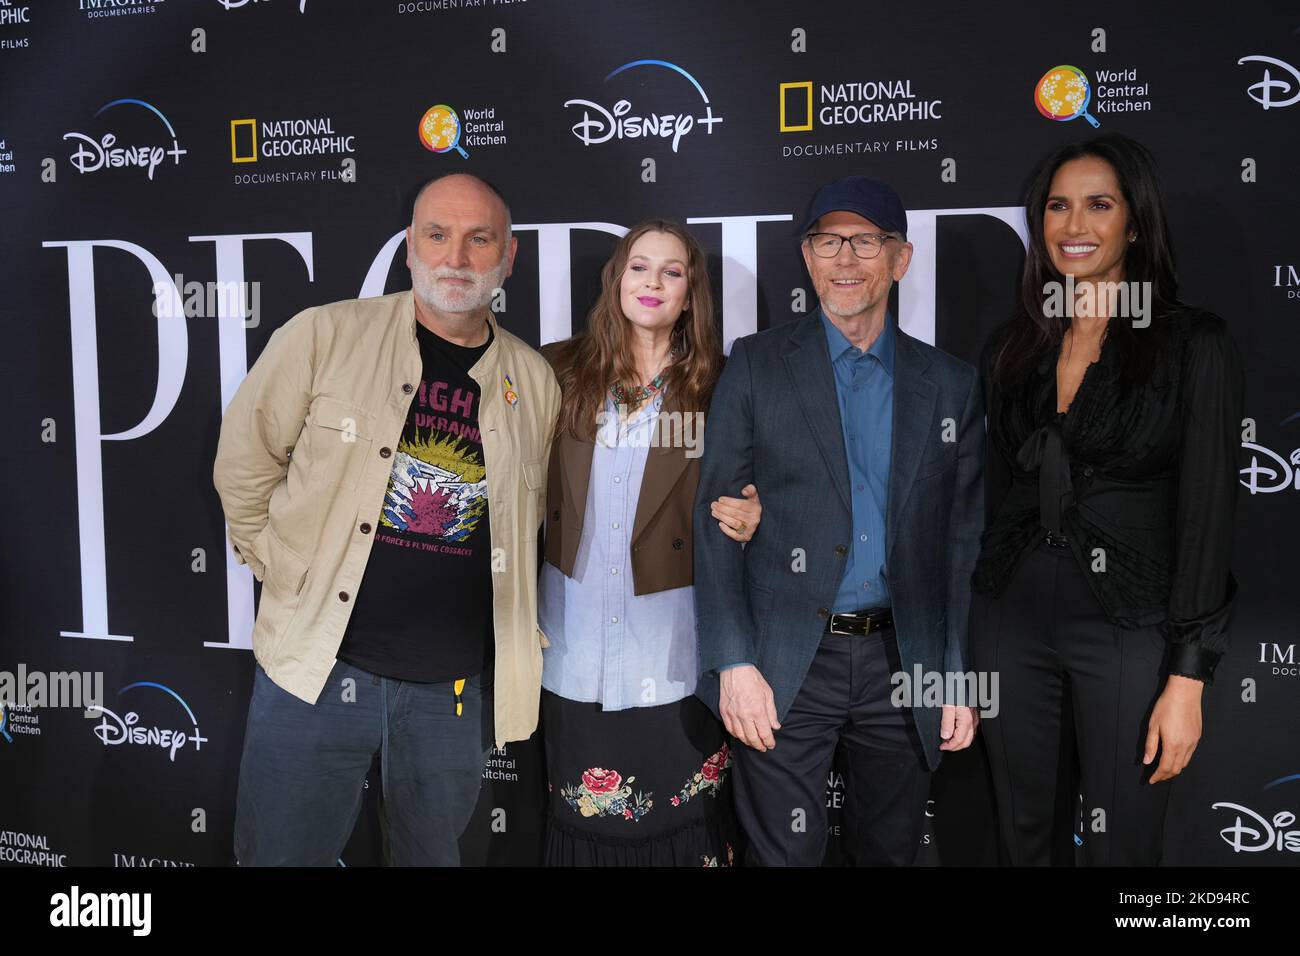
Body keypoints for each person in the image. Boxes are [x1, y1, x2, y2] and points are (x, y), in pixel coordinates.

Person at [213, 172, 561, 866]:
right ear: (409, 246)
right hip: (315, 670)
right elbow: (244, 467)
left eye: (478, 238)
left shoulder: (536, 381)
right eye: (437, 234)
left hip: (452, 696)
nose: (455, 257)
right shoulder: (324, 335)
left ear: (509, 256)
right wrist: (285, 572)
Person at [694, 177, 985, 866]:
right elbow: (717, 521)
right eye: (828, 241)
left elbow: (962, 544)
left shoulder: (950, 384)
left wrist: (955, 677)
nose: (845, 259)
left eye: (865, 241)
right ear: (807, 255)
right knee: (782, 856)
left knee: (890, 852)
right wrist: (733, 662)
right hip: (786, 658)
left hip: (903, 662)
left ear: (901, 258)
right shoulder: (757, 364)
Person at [972, 133, 1244, 865]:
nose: (1074, 225)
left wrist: (1188, 673)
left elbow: (1207, 515)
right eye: (1058, 206)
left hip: (1129, 628)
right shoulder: (1013, 348)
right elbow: (992, 501)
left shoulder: (1193, 343)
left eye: (1099, 204)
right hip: (1009, 621)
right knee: (1020, 837)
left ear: (1135, 221)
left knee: (1124, 847)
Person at [538, 219, 762, 866]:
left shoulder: (724, 386)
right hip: (573, 650)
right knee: (584, 835)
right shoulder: (556, 371)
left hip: (676, 657)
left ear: (691, 295)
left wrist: (758, 512)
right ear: (616, 281)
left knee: (680, 833)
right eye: (639, 266)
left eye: (672, 271)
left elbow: (771, 482)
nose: (653, 282)